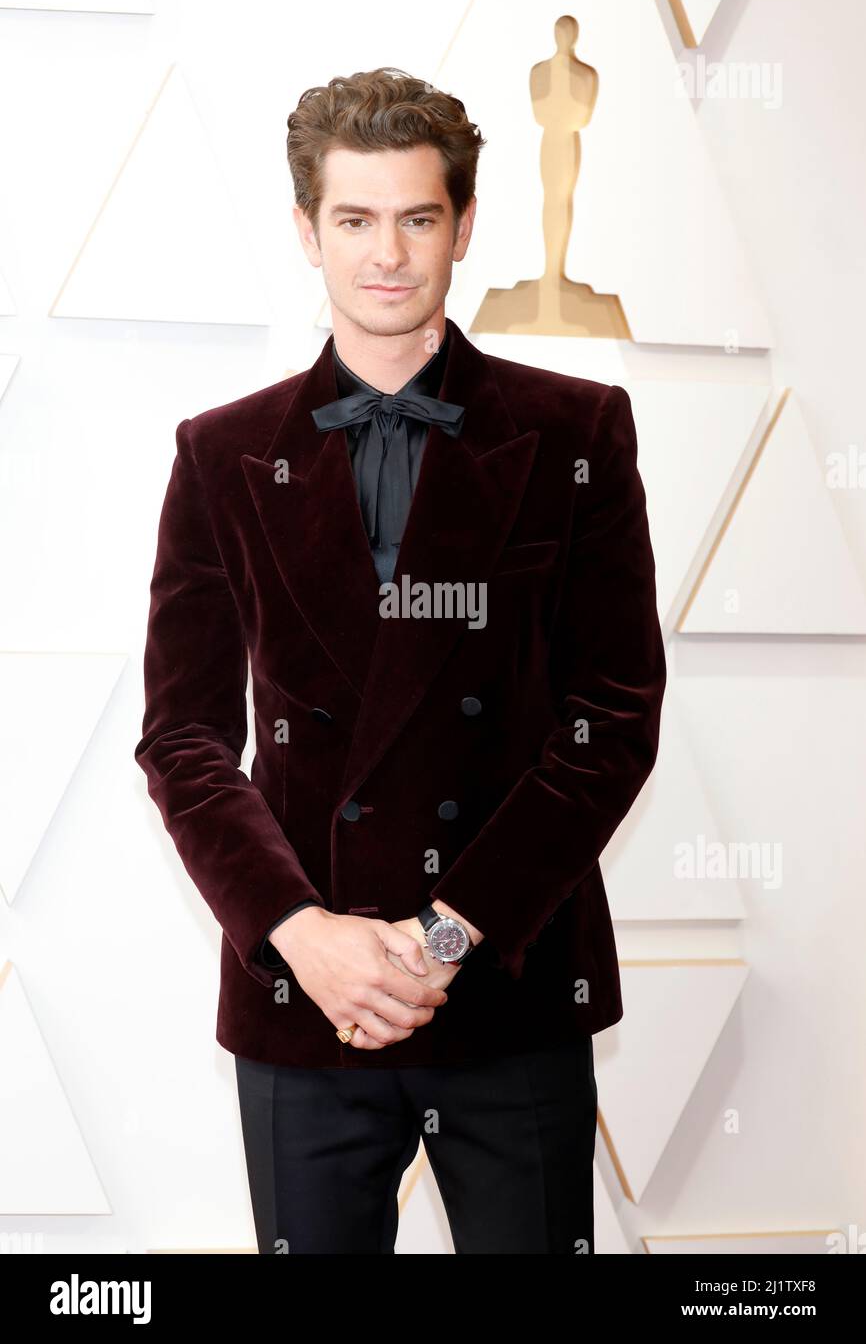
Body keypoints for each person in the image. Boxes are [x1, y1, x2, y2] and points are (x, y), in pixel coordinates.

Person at [134, 66, 667, 1254]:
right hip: (299, 996)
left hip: (505, 986)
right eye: (356, 220)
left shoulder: (576, 432)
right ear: (306, 232)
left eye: (418, 218)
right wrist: (302, 932)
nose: (388, 252)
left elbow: (612, 716)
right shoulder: (221, 454)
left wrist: (440, 936)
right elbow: (181, 736)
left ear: (463, 226)